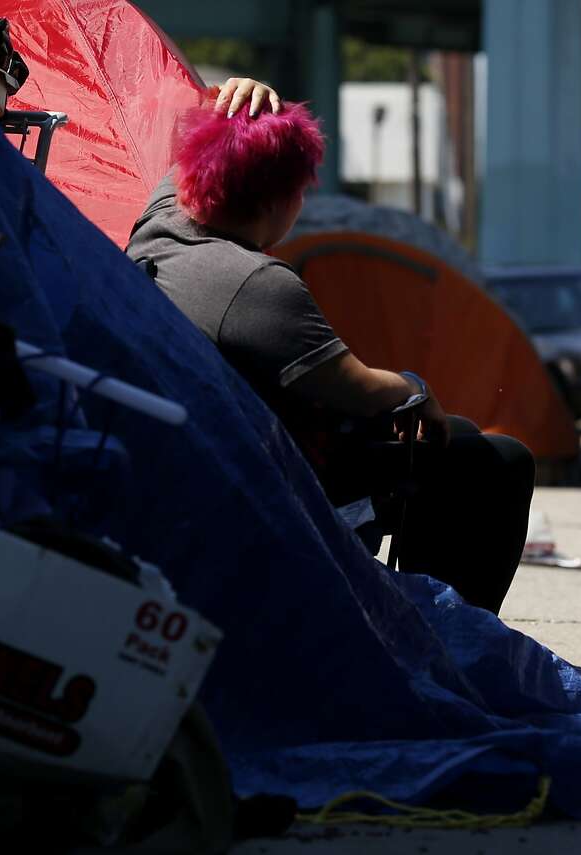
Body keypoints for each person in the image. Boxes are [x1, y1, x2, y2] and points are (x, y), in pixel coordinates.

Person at [125, 79, 534, 615]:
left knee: (458, 441)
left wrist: (232, 104)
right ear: (280, 199)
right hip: (270, 501)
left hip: (193, 471)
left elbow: (192, 157)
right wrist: (416, 385)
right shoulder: (255, 284)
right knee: (496, 461)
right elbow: (363, 389)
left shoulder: (157, 231)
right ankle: (441, 645)